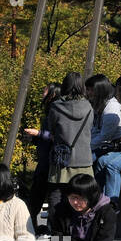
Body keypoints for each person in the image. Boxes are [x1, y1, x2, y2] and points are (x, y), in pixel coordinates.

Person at [25, 73, 95, 223]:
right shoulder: (89, 106)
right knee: (83, 198)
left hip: (62, 160)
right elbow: (90, 128)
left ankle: (58, 240)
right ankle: (80, 235)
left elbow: (52, 130)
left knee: (56, 198)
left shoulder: (56, 107)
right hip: (84, 159)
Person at [24, 83, 64, 235]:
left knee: (42, 194)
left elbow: (57, 136)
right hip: (45, 157)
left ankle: (36, 228)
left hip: (50, 160)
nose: (43, 93)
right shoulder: (50, 110)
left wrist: (38, 133)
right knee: (39, 194)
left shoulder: (56, 109)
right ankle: (36, 227)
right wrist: (35, 138)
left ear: (54, 93)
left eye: (45, 90)